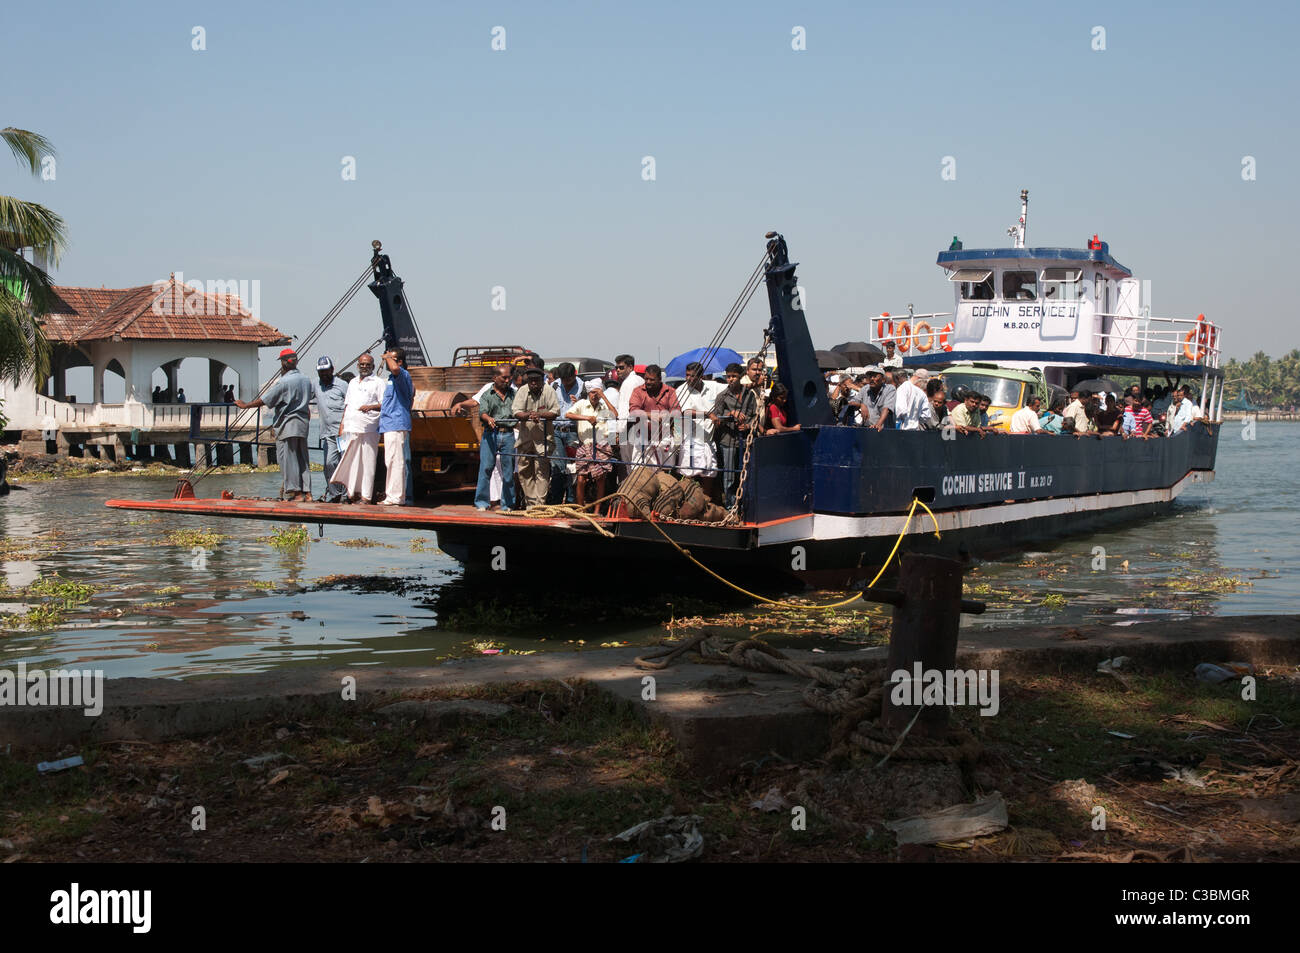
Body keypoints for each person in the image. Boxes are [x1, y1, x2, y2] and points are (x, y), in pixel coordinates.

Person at [235, 347, 313, 501]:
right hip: (303, 423)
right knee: (302, 457)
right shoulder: (306, 379)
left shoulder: (284, 382)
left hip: (287, 424)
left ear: (284, 363)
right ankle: (307, 493)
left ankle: (296, 492)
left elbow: (265, 400)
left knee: (288, 458)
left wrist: (245, 405)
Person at [332, 353, 384, 504]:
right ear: (357, 366)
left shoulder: (378, 382)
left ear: (373, 366)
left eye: (368, 364)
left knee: (368, 462)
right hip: (351, 426)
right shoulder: (353, 382)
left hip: (369, 428)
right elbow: (347, 406)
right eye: (362, 364)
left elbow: (384, 404)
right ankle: (351, 493)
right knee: (351, 461)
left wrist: (370, 407)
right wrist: (342, 425)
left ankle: (366, 496)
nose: (364, 367)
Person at [709, 363, 758, 509]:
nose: (731, 379)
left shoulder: (749, 395)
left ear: (740, 377)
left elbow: (754, 416)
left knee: (745, 475)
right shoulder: (722, 396)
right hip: (728, 441)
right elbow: (717, 418)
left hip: (746, 441)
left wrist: (748, 425)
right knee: (729, 477)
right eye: (728, 376)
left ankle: (745, 507)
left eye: (734, 376)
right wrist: (730, 414)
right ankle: (730, 507)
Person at [512, 366, 559, 507]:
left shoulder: (548, 390)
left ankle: (540, 505)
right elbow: (516, 412)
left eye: (536, 380)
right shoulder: (522, 390)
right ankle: (530, 504)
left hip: (543, 440)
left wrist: (540, 415)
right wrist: (529, 415)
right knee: (525, 471)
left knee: (542, 472)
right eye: (531, 380)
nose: (533, 383)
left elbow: (555, 412)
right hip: (525, 439)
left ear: (541, 380)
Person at [674, 361, 723, 499]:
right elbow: (685, 412)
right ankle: (688, 504)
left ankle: (705, 504)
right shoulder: (681, 390)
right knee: (689, 475)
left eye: (693, 376)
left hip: (708, 440)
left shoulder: (712, 386)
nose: (689, 378)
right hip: (690, 439)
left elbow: (729, 388)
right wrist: (707, 414)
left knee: (709, 474)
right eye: (687, 375)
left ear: (701, 376)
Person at [566, 379, 618, 505]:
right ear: (588, 393)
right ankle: (580, 508)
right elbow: (568, 414)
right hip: (585, 446)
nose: (594, 395)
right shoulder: (582, 404)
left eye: (597, 393)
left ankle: (597, 510)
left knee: (600, 479)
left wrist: (603, 396)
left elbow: (615, 414)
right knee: (581, 479)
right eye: (592, 392)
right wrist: (587, 418)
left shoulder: (603, 406)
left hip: (601, 446)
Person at [475, 364, 517, 511]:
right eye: (504, 377)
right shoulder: (487, 394)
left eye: (509, 377)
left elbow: (519, 411)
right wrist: (488, 418)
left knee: (508, 471)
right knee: (486, 468)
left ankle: (508, 505)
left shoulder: (514, 394)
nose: (508, 380)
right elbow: (482, 412)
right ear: (495, 378)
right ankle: (482, 502)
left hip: (508, 434)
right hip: (490, 434)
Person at [378, 347, 414, 505]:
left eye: (391, 358)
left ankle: (396, 497)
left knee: (396, 460)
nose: (387, 361)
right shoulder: (391, 379)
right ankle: (392, 495)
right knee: (391, 460)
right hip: (390, 423)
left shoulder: (402, 375)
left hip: (396, 423)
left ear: (399, 362)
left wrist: (386, 356)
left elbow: (394, 367)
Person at [628, 364, 680, 469]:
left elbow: (677, 411)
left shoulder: (670, 392)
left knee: (664, 475)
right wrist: (650, 415)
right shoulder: (638, 391)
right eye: (646, 379)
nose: (648, 382)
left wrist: (667, 415)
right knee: (640, 474)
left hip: (664, 439)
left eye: (652, 380)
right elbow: (633, 411)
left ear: (660, 379)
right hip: (643, 439)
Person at [313, 356, 350, 502]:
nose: (323, 374)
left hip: (343, 432)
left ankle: (346, 495)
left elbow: (350, 405)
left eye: (326, 371)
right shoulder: (316, 384)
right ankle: (335, 494)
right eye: (320, 371)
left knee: (345, 463)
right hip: (327, 433)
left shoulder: (342, 385)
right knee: (329, 463)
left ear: (332, 370)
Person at [548, 362, 585, 503]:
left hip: (573, 432)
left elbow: (589, 409)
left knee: (572, 469)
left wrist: (579, 405)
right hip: (556, 431)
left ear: (574, 376)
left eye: (568, 380)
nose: (565, 383)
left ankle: (570, 501)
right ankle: (556, 502)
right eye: (563, 380)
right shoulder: (554, 386)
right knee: (557, 467)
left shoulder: (583, 388)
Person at [613, 354, 643, 472]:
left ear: (630, 367)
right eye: (617, 368)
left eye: (621, 367)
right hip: (636, 428)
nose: (618, 370)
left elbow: (628, 411)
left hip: (630, 429)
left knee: (631, 467)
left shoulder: (630, 383)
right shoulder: (638, 380)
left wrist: (621, 433)